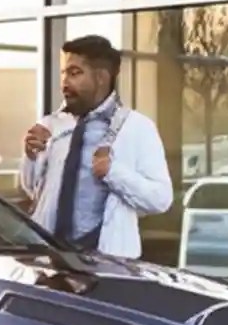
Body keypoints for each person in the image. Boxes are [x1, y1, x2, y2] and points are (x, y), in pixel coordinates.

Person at [19, 35, 172, 259]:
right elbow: (30, 187)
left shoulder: (137, 128)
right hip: (50, 259)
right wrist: (30, 156)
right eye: (63, 73)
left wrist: (113, 173)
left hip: (108, 263)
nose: (64, 82)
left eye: (74, 73)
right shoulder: (50, 125)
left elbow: (160, 199)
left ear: (101, 77)